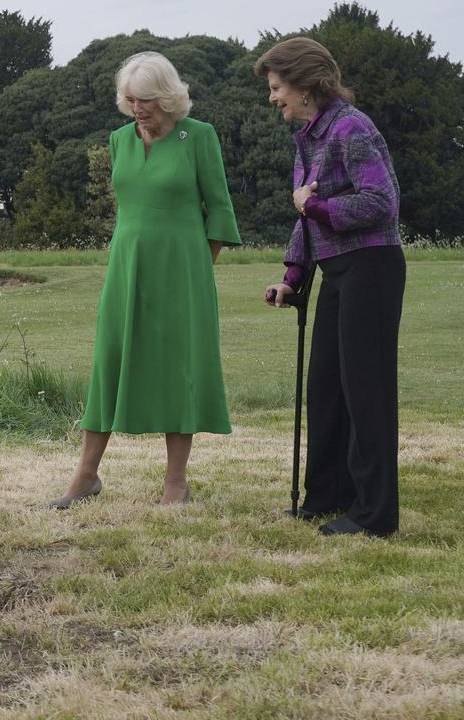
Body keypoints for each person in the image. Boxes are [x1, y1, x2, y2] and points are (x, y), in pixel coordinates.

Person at [52, 51, 241, 509]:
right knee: (110, 360)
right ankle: (85, 477)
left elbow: (218, 208)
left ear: (170, 98)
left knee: (180, 366)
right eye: (132, 99)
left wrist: (198, 264)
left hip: (184, 271)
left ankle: (175, 483)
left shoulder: (198, 137)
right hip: (126, 267)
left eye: (148, 99)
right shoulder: (119, 140)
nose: (139, 108)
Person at [258, 37, 404, 538]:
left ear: (304, 84)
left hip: (372, 267)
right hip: (338, 269)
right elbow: (308, 218)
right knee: (327, 388)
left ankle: (374, 515)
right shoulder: (310, 138)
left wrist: (313, 207)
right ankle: (328, 497)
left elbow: (379, 202)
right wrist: (294, 276)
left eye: (277, 87)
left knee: (366, 392)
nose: (273, 97)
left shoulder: (350, 128)